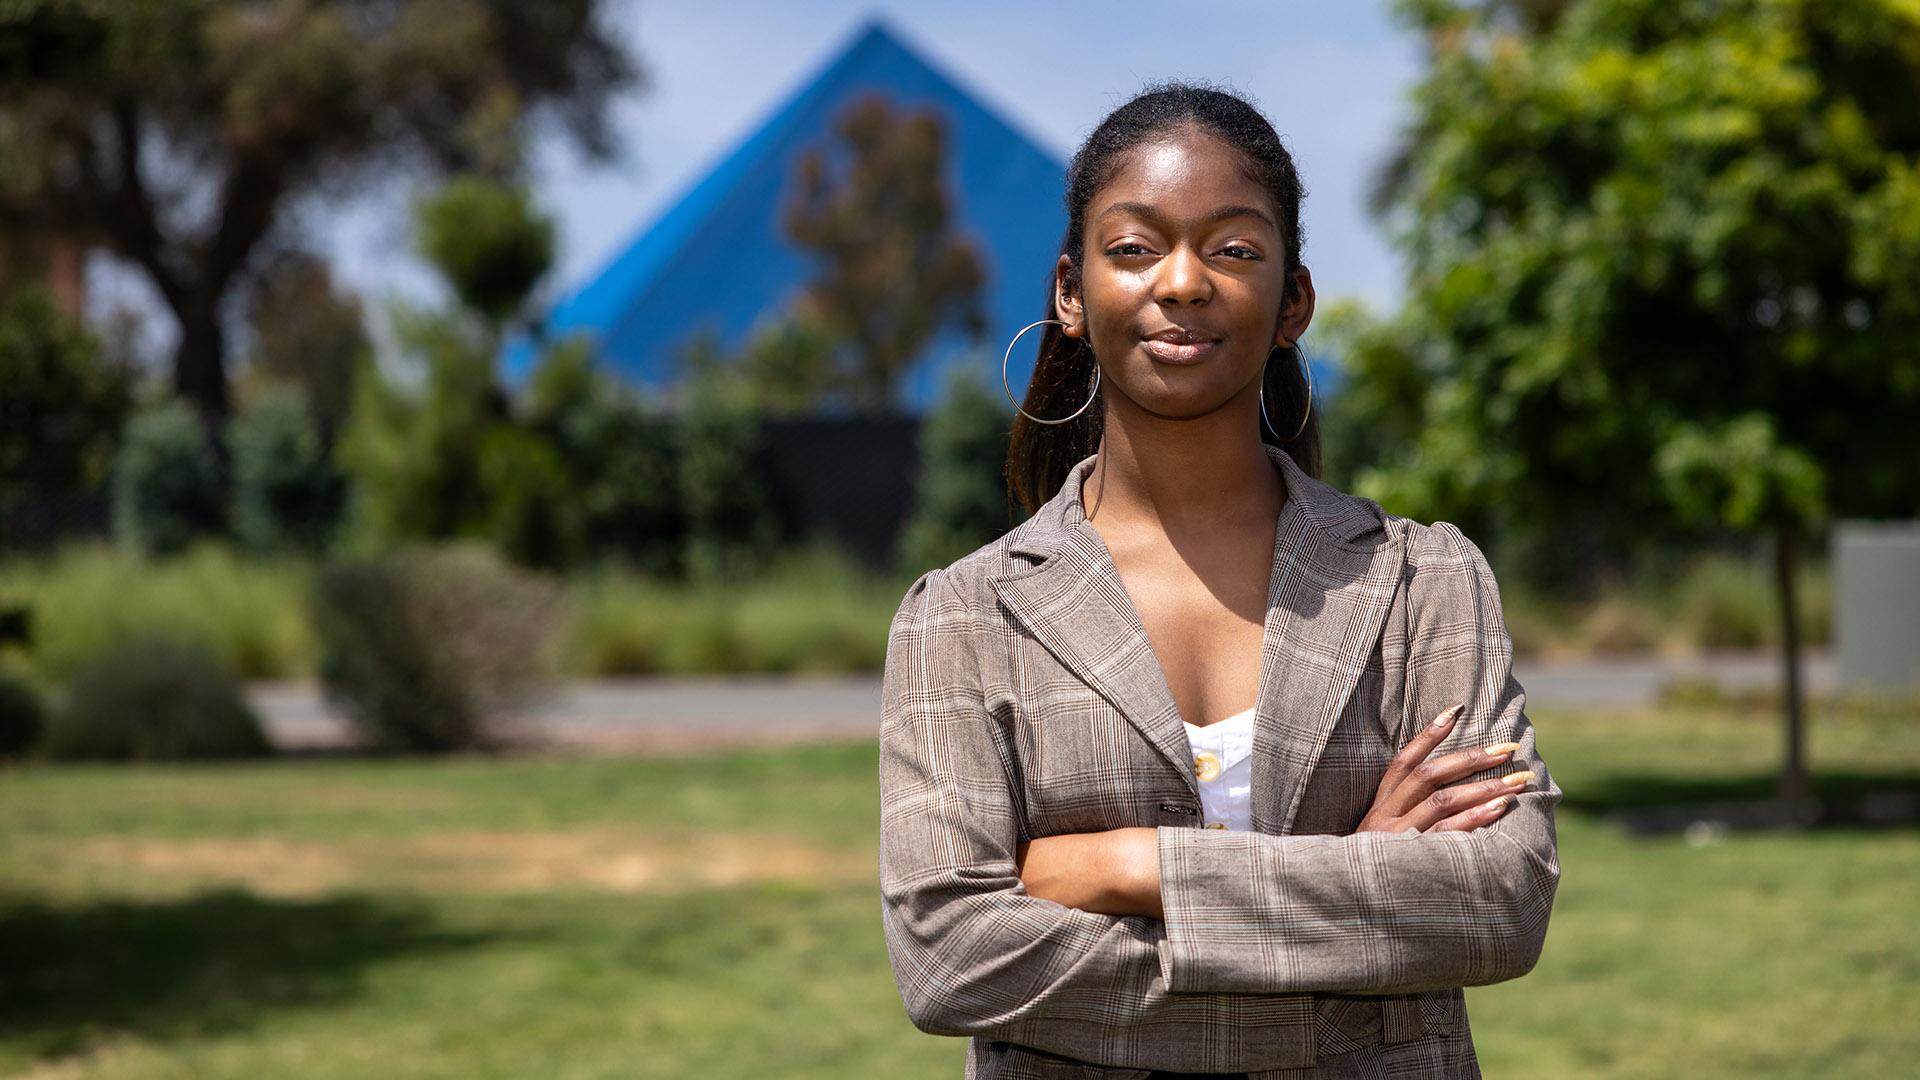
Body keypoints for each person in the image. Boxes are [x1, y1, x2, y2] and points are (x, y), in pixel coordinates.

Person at [877, 82, 1561, 1080]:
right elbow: (950, 961)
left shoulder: (1424, 583)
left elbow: (1500, 901)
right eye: (1135, 247)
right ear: (1072, 291)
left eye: (1235, 249)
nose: (1185, 281)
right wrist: (1350, 913)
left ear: (1295, 301)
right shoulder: (965, 617)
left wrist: (1126, 867)